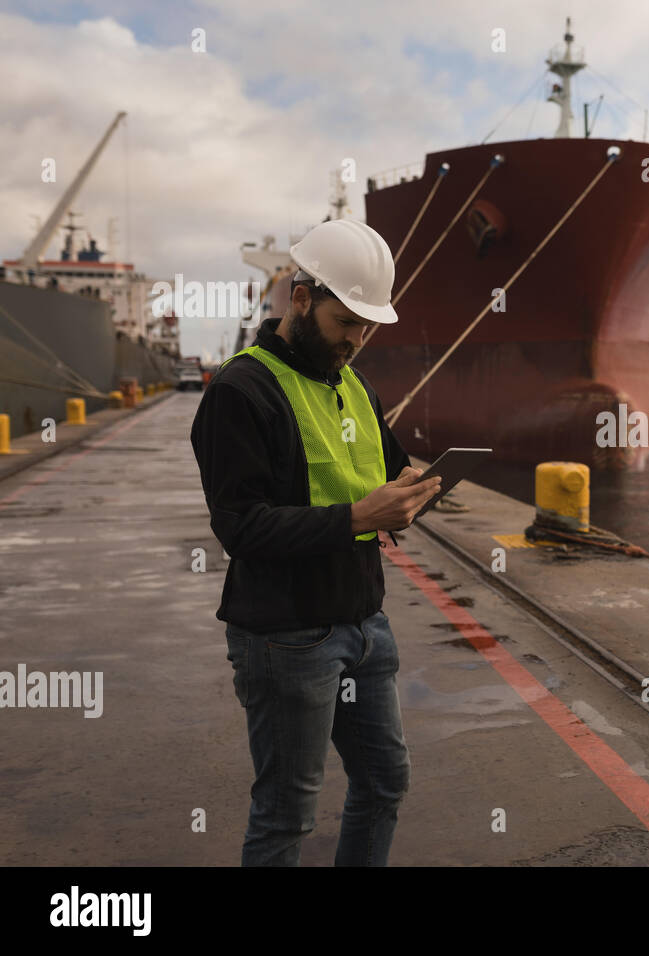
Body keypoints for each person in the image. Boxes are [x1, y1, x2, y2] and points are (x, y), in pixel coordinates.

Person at [190, 218, 441, 866]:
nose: (356, 340)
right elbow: (239, 527)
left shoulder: (354, 385)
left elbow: (391, 468)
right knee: (287, 815)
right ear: (301, 299)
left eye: (367, 327)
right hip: (285, 637)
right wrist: (360, 515)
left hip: (364, 624)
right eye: (345, 323)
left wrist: (413, 490)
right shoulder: (240, 390)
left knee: (386, 781)